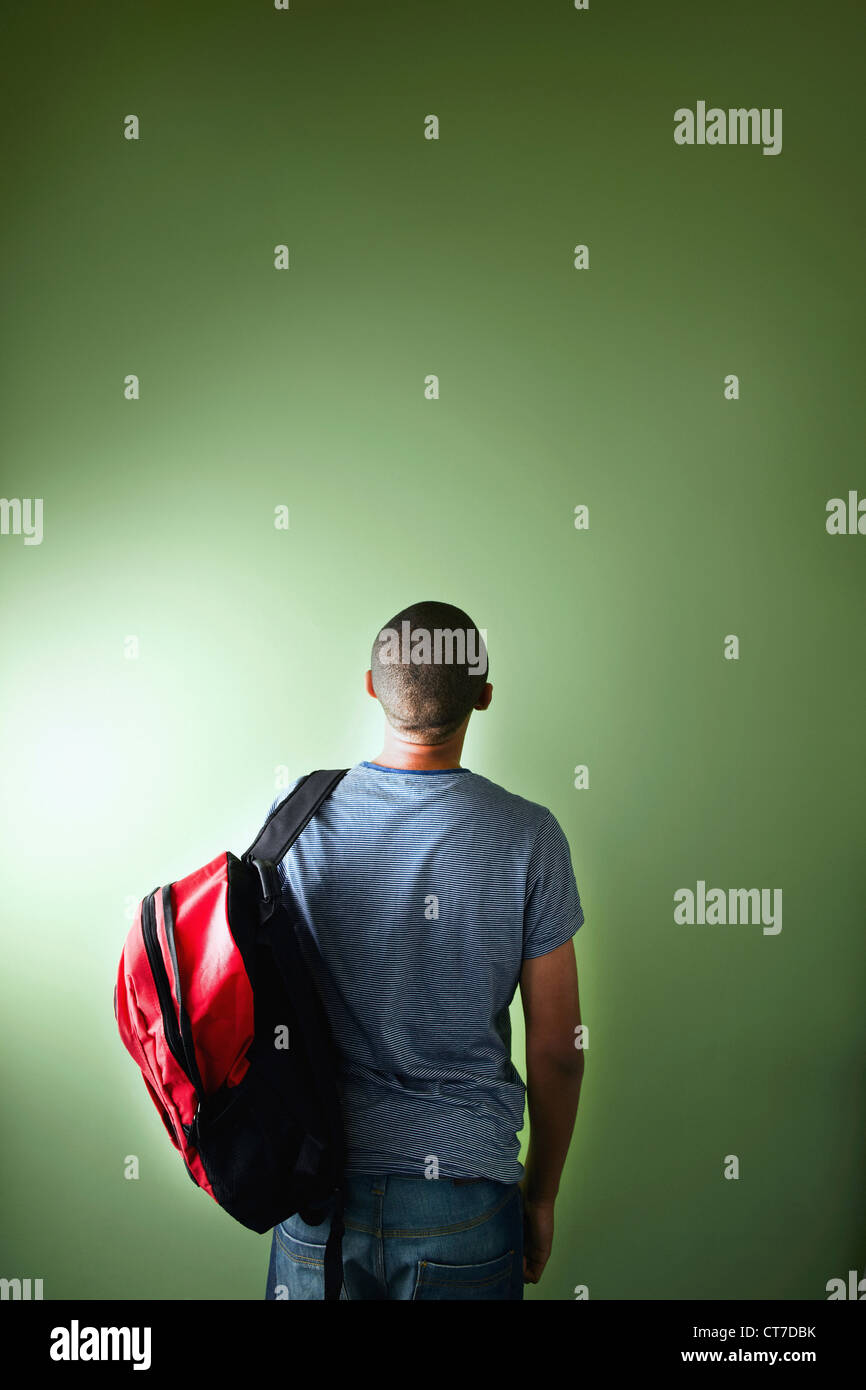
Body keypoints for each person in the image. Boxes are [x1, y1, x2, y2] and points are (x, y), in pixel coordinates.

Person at [264, 599, 586, 1300]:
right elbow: (560, 1048)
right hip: (467, 1201)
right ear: (485, 698)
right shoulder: (531, 836)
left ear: (373, 686)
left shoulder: (298, 818)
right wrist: (541, 1197)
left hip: (319, 1192)